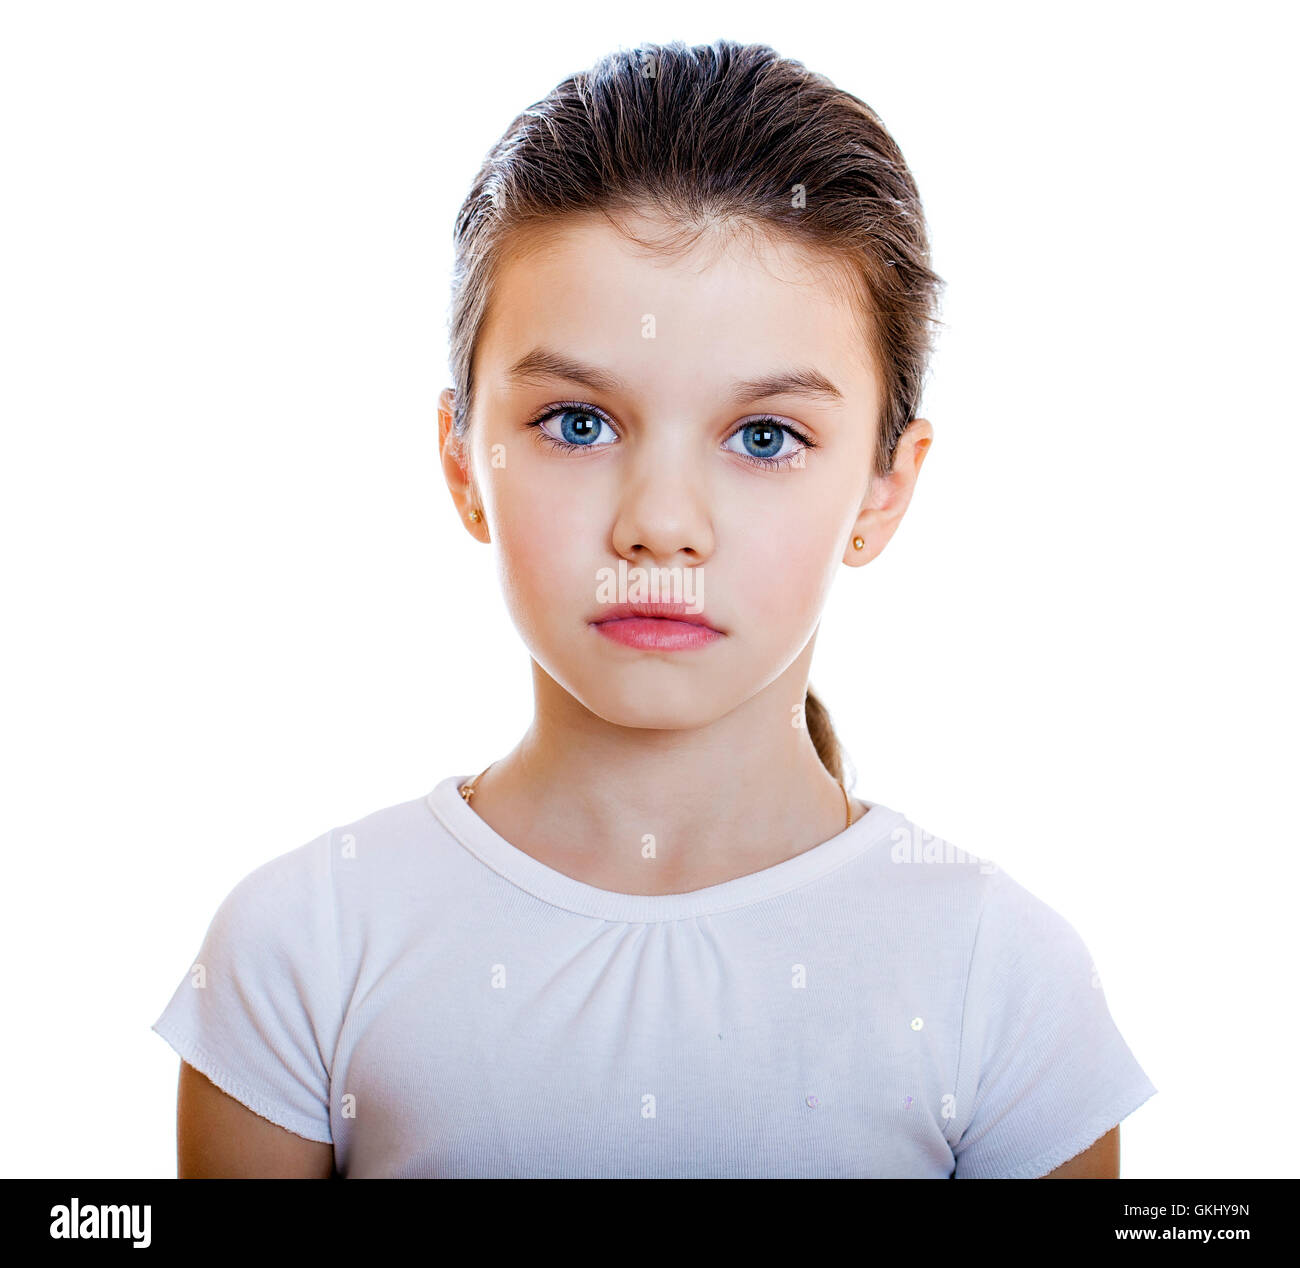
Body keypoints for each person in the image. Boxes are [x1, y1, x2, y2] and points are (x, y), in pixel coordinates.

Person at [154, 38, 1156, 1178]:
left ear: (886, 487)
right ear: (459, 457)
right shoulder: (303, 949)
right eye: (578, 422)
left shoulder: (1001, 982)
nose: (661, 524)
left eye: (764, 436)